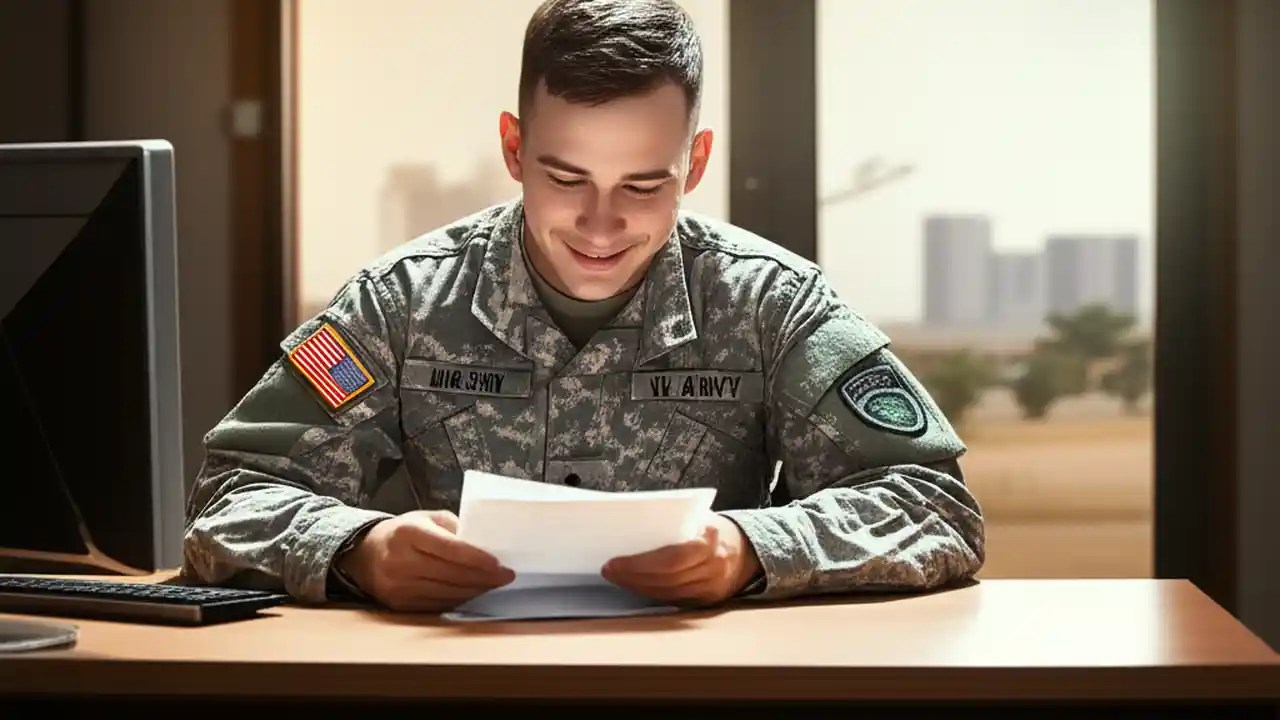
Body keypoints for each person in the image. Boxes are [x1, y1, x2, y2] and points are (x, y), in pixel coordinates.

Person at [182, 0, 985, 612]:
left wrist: (749, 547)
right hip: (461, 687)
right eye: (566, 179)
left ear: (696, 161)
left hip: (707, 688)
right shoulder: (404, 303)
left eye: (643, 185)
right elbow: (229, 499)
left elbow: (935, 504)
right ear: (513, 148)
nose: (601, 226)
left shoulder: (771, 302)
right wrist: (361, 549)